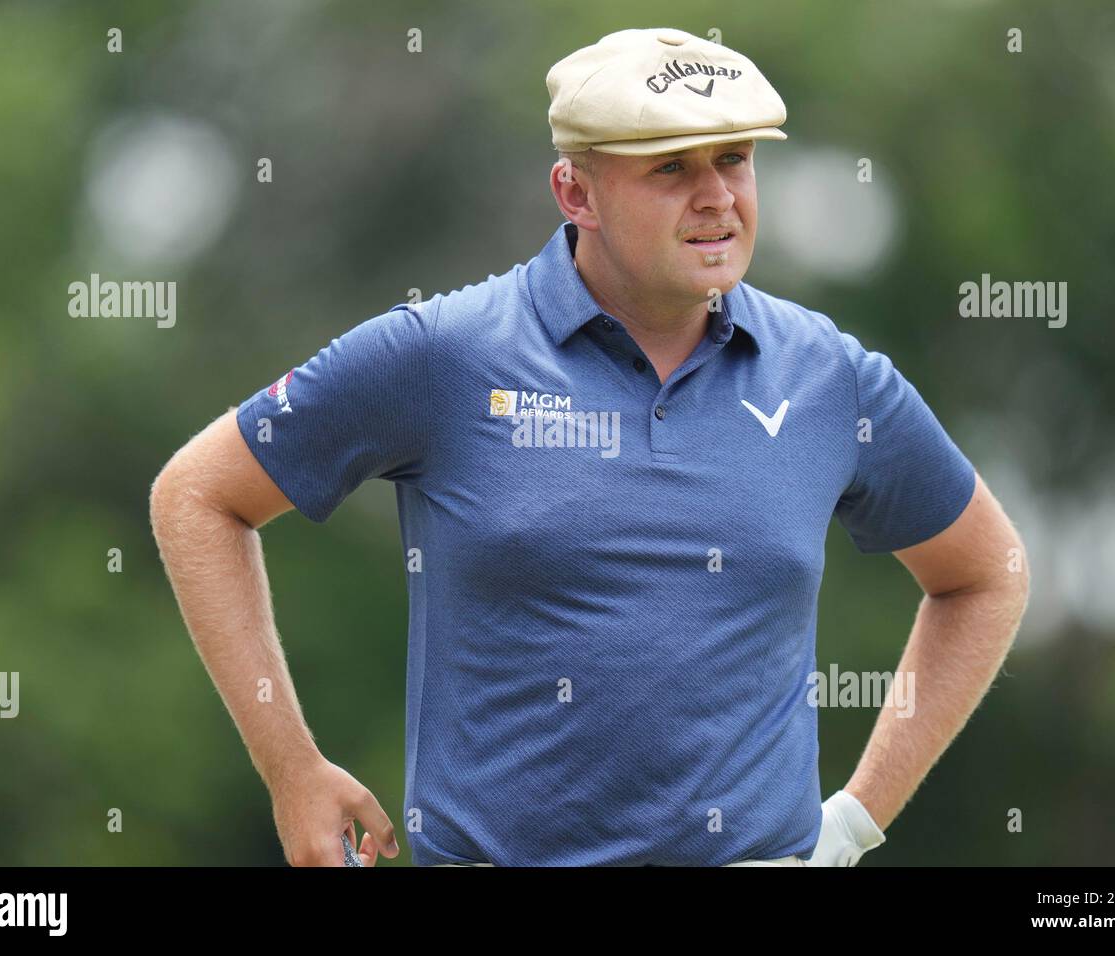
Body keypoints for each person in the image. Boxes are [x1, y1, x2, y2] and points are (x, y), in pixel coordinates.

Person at [149, 27, 1029, 867]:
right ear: (577, 193)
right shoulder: (441, 354)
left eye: (734, 158)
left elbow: (986, 573)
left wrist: (857, 818)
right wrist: (291, 769)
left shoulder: (830, 376)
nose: (716, 196)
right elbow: (199, 495)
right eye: (670, 167)